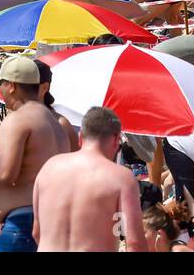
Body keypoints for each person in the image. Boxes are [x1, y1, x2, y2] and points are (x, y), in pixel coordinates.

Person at [0, 55, 70, 252]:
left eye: (1, 83)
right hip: (49, 220)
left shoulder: (18, 120)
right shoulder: (55, 123)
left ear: (12, 86)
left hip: (22, 225)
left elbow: (6, 174)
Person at [31, 106, 146, 252]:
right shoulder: (121, 178)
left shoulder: (49, 167)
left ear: (80, 137)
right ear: (117, 139)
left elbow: (36, 232)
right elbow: (135, 244)